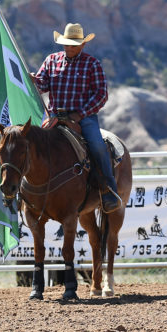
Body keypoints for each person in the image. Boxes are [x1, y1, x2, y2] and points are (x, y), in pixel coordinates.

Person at [33, 22, 121, 213]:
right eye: (66, 44)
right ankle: (26, 192)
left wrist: (79, 114)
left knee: (97, 146)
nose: (69, 48)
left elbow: (100, 95)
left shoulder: (92, 64)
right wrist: (32, 80)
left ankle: (108, 190)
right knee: (32, 143)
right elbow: (42, 85)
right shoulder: (51, 60)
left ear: (82, 45)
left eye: (74, 45)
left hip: (83, 118)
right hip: (54, 115)